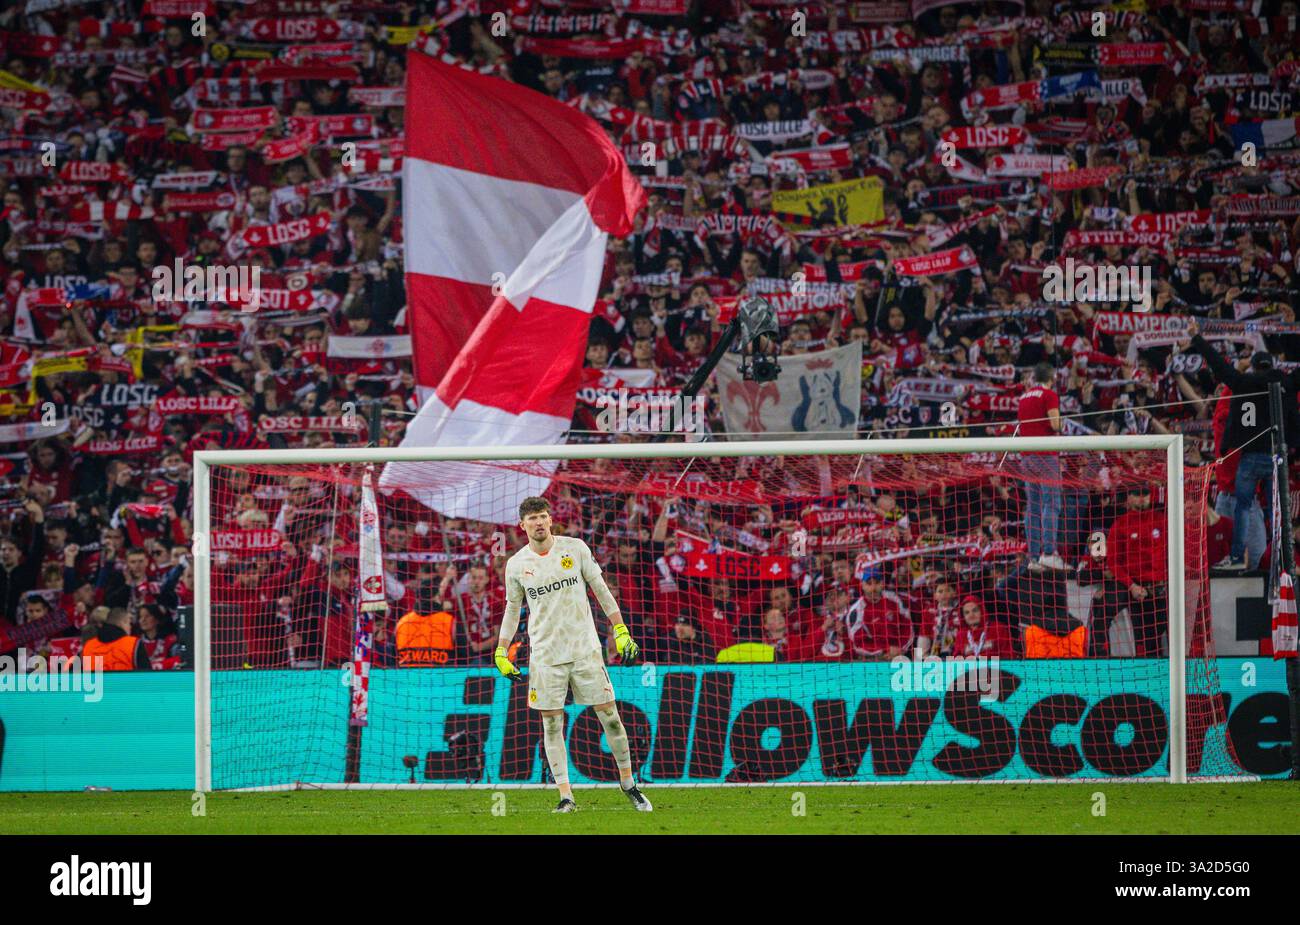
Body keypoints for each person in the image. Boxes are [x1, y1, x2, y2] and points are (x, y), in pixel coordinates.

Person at [493, 496, 652, 813]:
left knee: (611, 718)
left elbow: (601, 589)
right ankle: (566, 796)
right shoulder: (516, 565)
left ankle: (629, 785)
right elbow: (513, 609)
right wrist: (501, 649)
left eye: (542, 516)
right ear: (522, 525)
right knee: (551, 726)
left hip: (585, 650)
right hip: (545, 656)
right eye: (532, 519)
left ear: (550, 519)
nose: (538, 522)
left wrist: (620, 630)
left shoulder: (575, 548)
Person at [1179, 320, 1300, 569]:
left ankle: (1240, 558)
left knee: (1248, 511)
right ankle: (1282, 557)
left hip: (1249, 462)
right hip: (1275, 459)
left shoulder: (1240, 387)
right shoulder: (1285, 386)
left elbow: (1222, 370)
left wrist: (1198, 339)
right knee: (1277, 511)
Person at [1016, 362, 1066, 570]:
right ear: (1052, 378)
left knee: (1033, 507)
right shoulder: (1049, 395)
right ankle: (1049, 553)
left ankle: (1034, 558)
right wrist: (1061, 423)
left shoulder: (1024, 397)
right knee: (1051, 504)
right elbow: (1055, 424)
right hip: (1045, 455)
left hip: (1027, 457)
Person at [81, 607, 150, 671]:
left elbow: (75, 677)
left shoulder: (88, 646)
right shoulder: (134, 644)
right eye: (129, 623)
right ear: (122, 622)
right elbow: (147, 678)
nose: (130, 627)